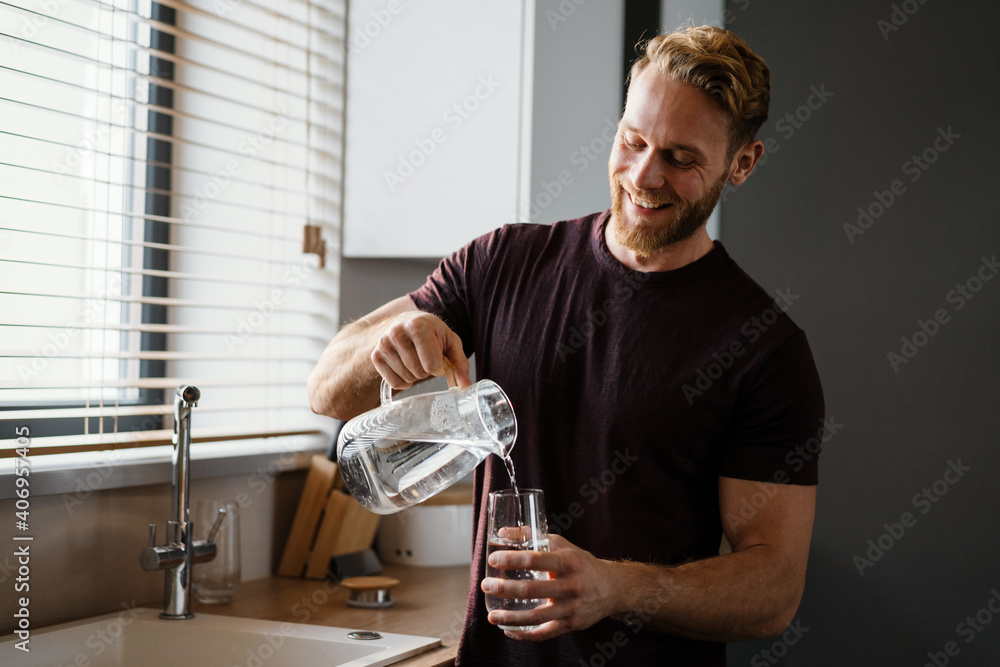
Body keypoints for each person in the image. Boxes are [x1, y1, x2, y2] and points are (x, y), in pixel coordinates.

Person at [309, 25, 824, 666]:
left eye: (680, 158)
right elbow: (327, 389)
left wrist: (616, 587)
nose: (643, 175)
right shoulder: (504, 262)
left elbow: (773, 590)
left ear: (741, 163)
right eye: (632, 140)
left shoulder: (764, 349)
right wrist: (391, 343)